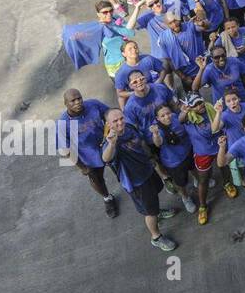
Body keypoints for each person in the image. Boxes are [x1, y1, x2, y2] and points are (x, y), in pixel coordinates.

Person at [99, 108, 179, 251]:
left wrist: (151, 158)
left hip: (147, 171)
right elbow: (106, 158)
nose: (120, 122)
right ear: (108, 124)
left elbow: (141, 143)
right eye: (115, 121)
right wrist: (111, 144)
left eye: (121, 118)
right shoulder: (110, 140)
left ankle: (157, 211)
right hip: (137, 183)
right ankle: (156, 237)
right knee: (150, 211)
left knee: (154, 196)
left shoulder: (129, 128)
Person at [58, 88, 118, 218]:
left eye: (79, 98)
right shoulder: (63, 123)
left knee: (122, 168)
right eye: (72, 101)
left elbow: (108, 113)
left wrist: (112, 126)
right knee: (97, 180)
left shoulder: (93, 104)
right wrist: (82, 167)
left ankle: (132, 187)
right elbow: (65, 149)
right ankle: (107, 198)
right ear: (66, 103)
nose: (77, 102)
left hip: (108, 145)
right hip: (89, 157)